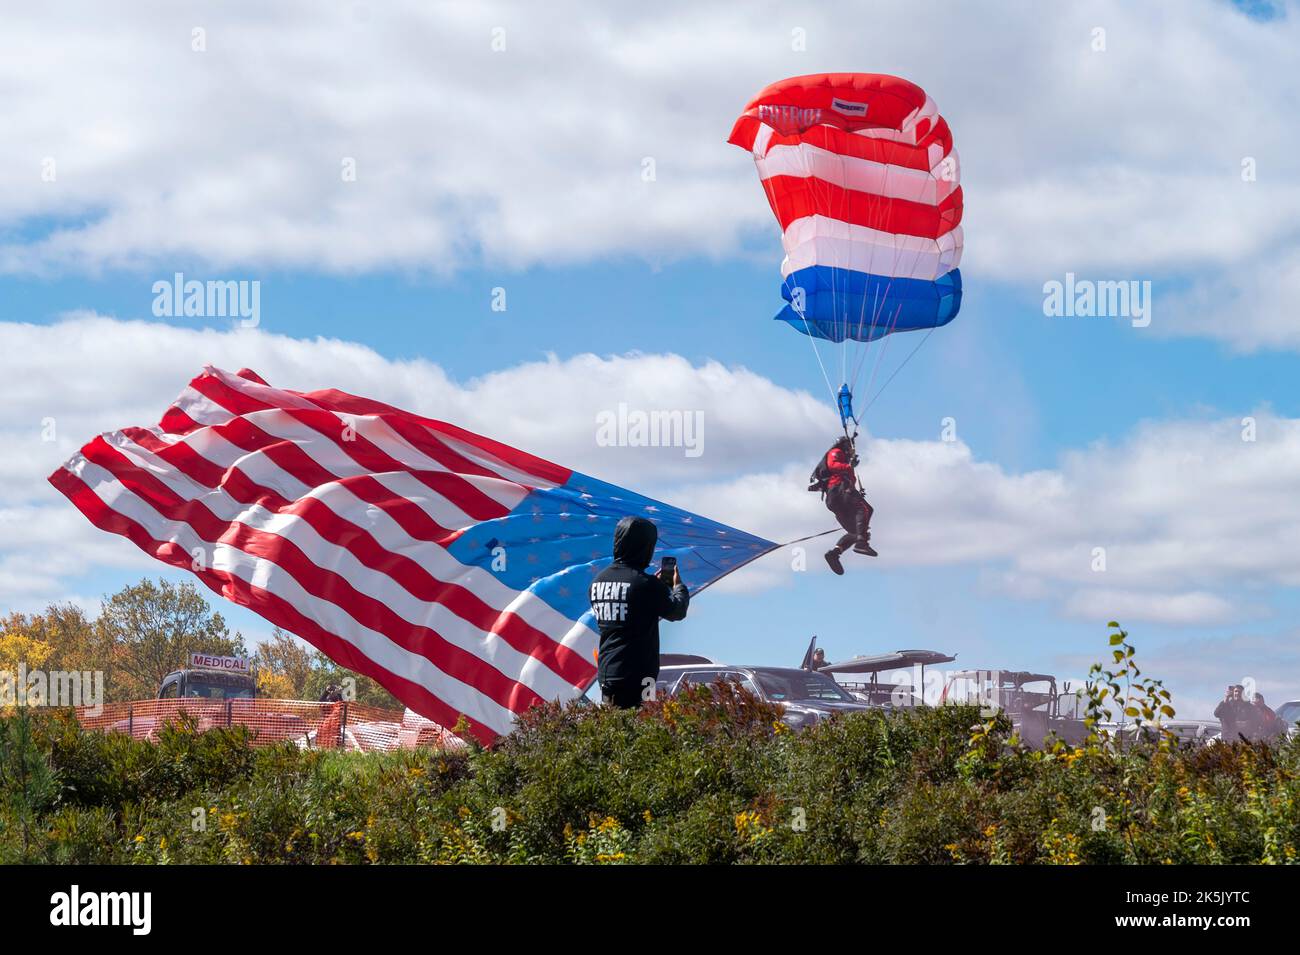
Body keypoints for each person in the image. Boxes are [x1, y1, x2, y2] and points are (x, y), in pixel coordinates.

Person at [589, 515, 690, 708]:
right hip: (641, 676)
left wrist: (649, 586)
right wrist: (678, 586)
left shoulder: (598, 581)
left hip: (607, 672)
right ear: (645, 547)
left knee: (612, 728)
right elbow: (677, 611)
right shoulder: (646, 585)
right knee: (641, 725)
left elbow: (627, 604)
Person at [820, 436, 876, 575]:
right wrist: (849, 465)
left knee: (856, 532)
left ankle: (834, 553)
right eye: (851, 448)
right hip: (838, 492)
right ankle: (861, 544)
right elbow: (833, 465)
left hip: (838, 498)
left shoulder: (845, 462)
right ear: (846, 446)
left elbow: (848, 476)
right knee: (866, 509)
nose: (853, 451)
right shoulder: (836, 452)